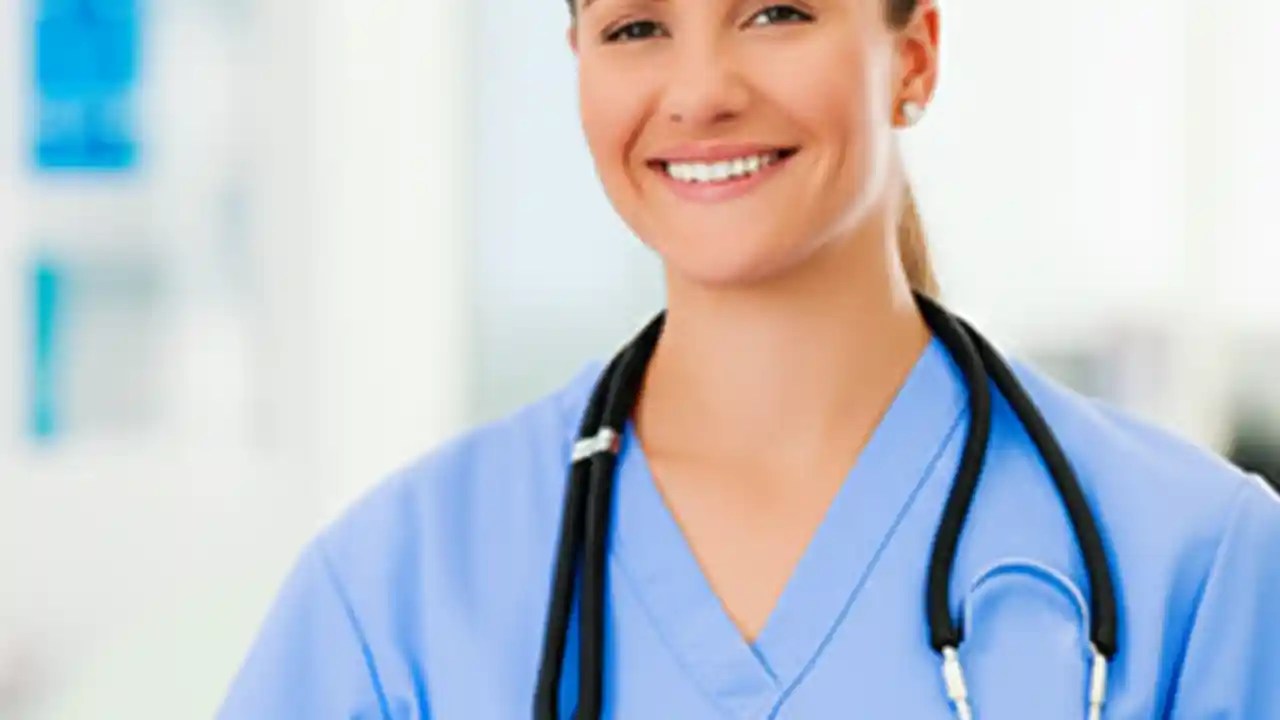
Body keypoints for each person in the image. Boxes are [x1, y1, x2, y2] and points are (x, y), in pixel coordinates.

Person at [218, 0, 1280, 717]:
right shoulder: (400, 591)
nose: (699, 91)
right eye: (637, 27)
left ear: (912, 56)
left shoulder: (1192, 564)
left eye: (775, 12)